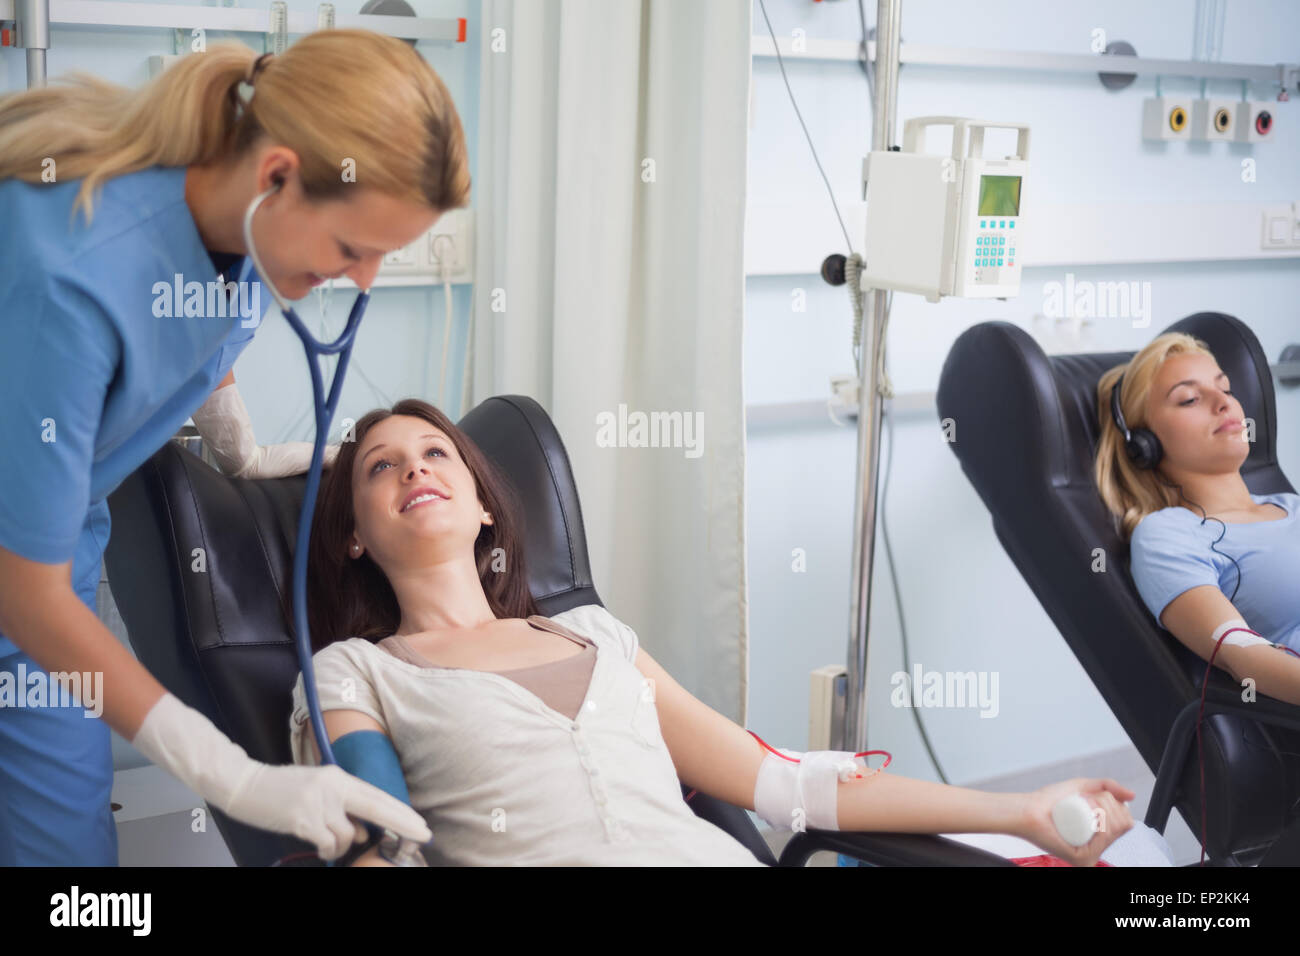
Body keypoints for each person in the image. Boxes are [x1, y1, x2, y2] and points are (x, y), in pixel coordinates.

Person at [289, 398, 1137, 866]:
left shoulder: (593, 633)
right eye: (380, 465)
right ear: (353, 535)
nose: (414, 468)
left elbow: (787, 787)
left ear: (482, 506)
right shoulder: (353, 674)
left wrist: (1018, 813)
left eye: (437, 453)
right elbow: (372, 841)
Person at [0, 30, 469, 866]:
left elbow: (196, 322)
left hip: (47, 573)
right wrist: (230, 773)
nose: (363, 281)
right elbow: (19, 586)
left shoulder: (237, 221)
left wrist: (240, 447)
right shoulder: (69, 277)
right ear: (278, 175)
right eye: (354, 249)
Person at [1094, 332, 1300, 705]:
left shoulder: (1291, 504)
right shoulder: (1167, 533)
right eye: (1189, 398)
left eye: (1226, 388)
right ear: (1144, 443)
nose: (1223, 403)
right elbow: (1241, 654)